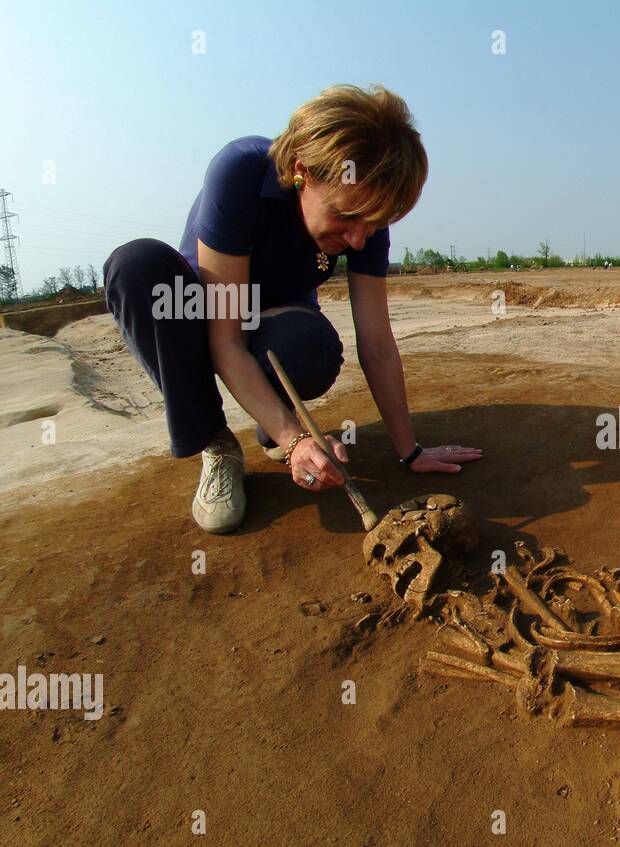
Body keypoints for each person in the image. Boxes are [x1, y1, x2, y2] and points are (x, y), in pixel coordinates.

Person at [103, 84, 481, 534]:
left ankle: (273, 425)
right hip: (197, 313)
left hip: (274, 326)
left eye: (374, 223)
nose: (359, 238)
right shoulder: (241, 171)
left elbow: (377, 343)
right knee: (135, 265)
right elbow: (224, 340)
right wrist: (296, 438)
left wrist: (410, 450)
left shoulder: (367, 210)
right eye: (346, 217)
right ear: (302, 171)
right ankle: (215, 443)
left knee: (310, 347)